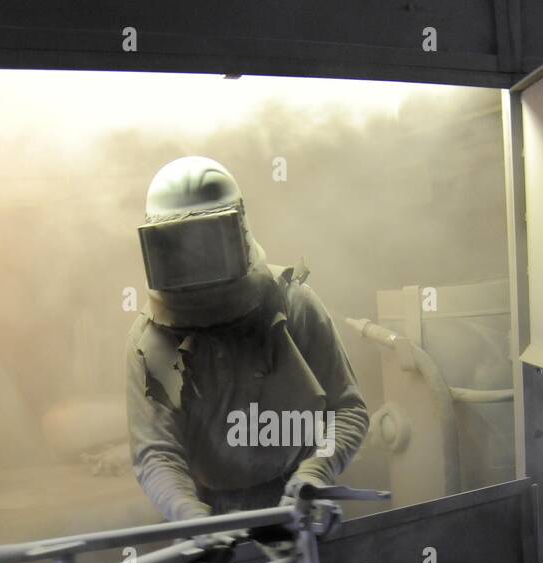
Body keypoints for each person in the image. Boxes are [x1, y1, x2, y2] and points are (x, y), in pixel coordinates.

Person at [126, 156, 369, 524]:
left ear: (238, 228)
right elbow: (157, 453)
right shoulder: (151, 339)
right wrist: (190, 516)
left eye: (207, 244)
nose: (197, 263)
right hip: (204, 508)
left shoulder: (293, 303)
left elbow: (347, 410)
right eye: (180, 247)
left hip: (297, 500)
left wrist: (315, 473)